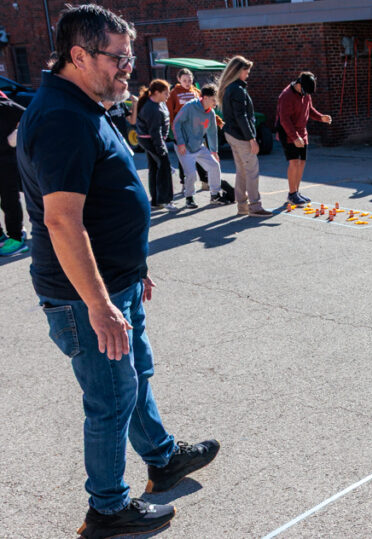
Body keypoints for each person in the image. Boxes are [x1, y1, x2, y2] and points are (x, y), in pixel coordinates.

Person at [16, 5, 219, 537]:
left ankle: (161, 457)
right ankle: (106, 507)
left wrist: (135, 266)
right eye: (120, 58)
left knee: (135, 378)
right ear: (78, 56)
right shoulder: (61, 118)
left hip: (117, 279)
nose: (129, 67)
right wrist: (100, 304)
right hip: (85, 296)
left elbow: (108, 200)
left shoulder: (85, 103)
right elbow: (62, 222)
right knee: (110, 399)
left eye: (130, 57)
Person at [219, 55, 271, 216]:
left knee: (242, 171)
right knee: (251, 171)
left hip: (232, 134)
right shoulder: (238, 90)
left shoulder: (229, 87)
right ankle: (255, 206)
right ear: (238, 71)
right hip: (241, 136)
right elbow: (241, 117)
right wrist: (252, 139)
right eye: (246, 70)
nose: (248, 73)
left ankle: (242, 206)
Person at [277, 71, 332, 205]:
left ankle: (296, 192)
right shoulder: (286, 96)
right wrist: (295, 137)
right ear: (298, 84)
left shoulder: (305, 93)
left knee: (302, 163)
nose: (306, 94)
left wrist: (321, 117)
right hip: (288, 132)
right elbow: (284, 120)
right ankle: (291, 194)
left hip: (302, 131)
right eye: (305, 90)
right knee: (294, 162)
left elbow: (310, 109)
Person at [173, 83, 228, 208]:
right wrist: (181, 143)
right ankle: (189, 198)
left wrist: (214, 151)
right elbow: (176, 124)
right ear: (205, 98)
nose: (216, 103)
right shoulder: (190, 107)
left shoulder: (211, 113)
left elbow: (212, 133)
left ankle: (214, 195)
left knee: (214, 165)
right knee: (191, 173)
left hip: (198, 145)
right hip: (184, 146)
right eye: (214, 100)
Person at [168, 68, 211, 192]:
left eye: (189, 80)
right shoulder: (174, 93)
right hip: (182, 132)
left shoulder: (196, 92)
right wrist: (172, 126)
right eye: (184, 80)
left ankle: (205, 181)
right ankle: (184, 183)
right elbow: (170, 111)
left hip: (196, 131)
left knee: (199, 157)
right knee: (184, 159)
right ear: (179, 80)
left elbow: (206, 108)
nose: (187, 83)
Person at [135, 79, 175, 211]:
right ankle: (166, 199)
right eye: (165, 93)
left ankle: (156, 201)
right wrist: (161, 149)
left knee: (154, 168)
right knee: (164, 169)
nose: (167, 96)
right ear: (156, 93)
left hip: (149, 140)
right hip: (152, 141)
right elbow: (155, 132)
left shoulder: (157, 103)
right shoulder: (151, 108)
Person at [0, 92, 28, 256]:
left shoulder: (5, 105)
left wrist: (16, 134)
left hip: (5, 162)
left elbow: (30, 117)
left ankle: (16, 238)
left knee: (9, 200)